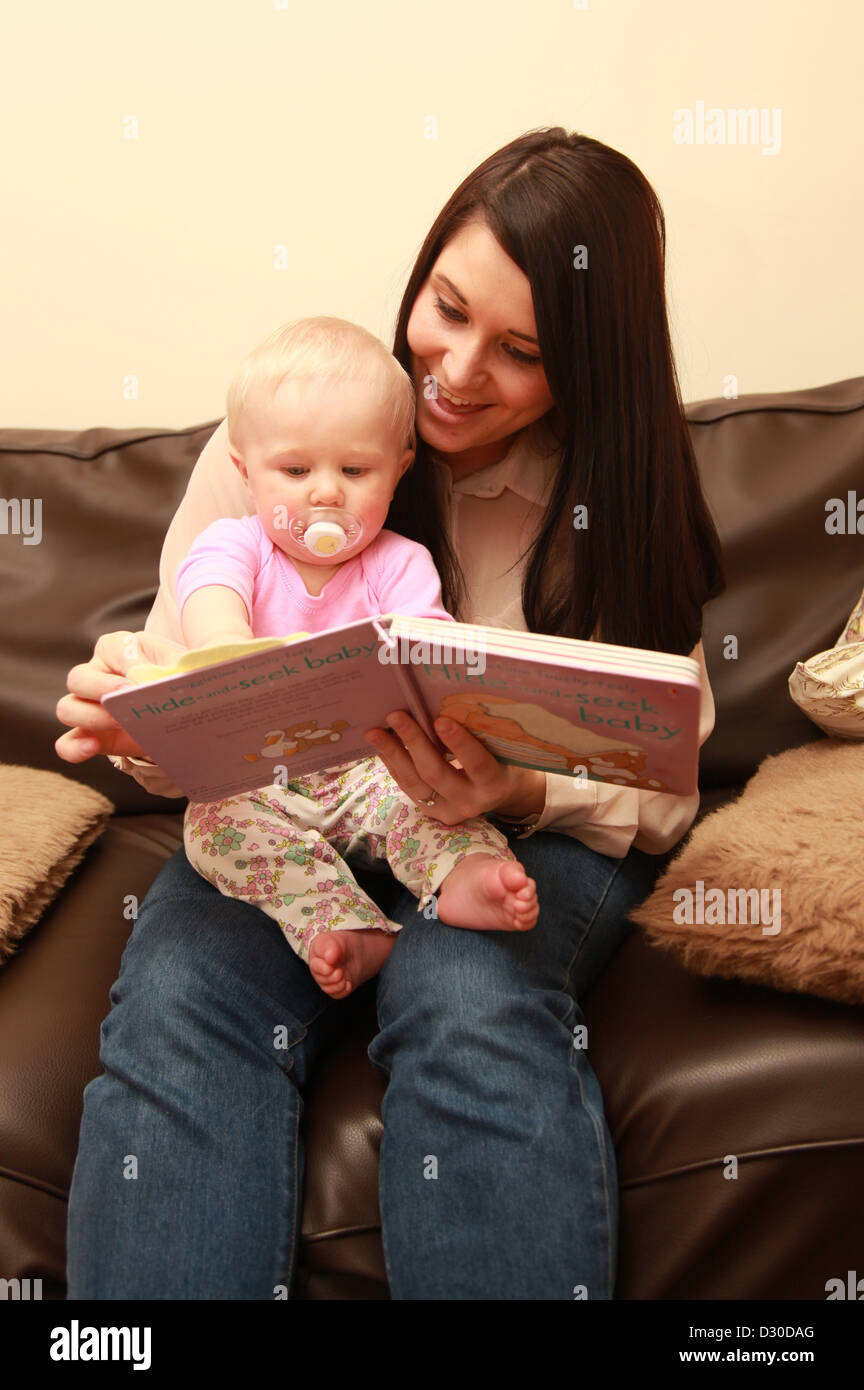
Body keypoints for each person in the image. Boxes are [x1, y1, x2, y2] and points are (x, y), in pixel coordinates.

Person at [57, 126, 724, 1300]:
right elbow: (194, 702)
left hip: (523, 832)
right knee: (180, 991)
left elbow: (665, 779)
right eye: (446, 308)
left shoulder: (617, 494)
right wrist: (139, 723)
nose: (458, 371)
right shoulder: (287, 431)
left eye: (519, 350)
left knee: (466, 984)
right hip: (292, 809)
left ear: (585, 365)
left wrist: (515, 789)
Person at [175, 315, 538, 999]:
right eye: (294, 469)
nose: (325, 492)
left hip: (374, 767)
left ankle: (469, 878)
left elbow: (427, 655)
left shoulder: (399, 562)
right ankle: (338, 922)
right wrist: (229, 651)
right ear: (244, 471)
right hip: (265, 780)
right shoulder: (236, 545)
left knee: (430, 804)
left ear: (398, 472)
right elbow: (211, 605)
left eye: (354, 469)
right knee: (214, 829)